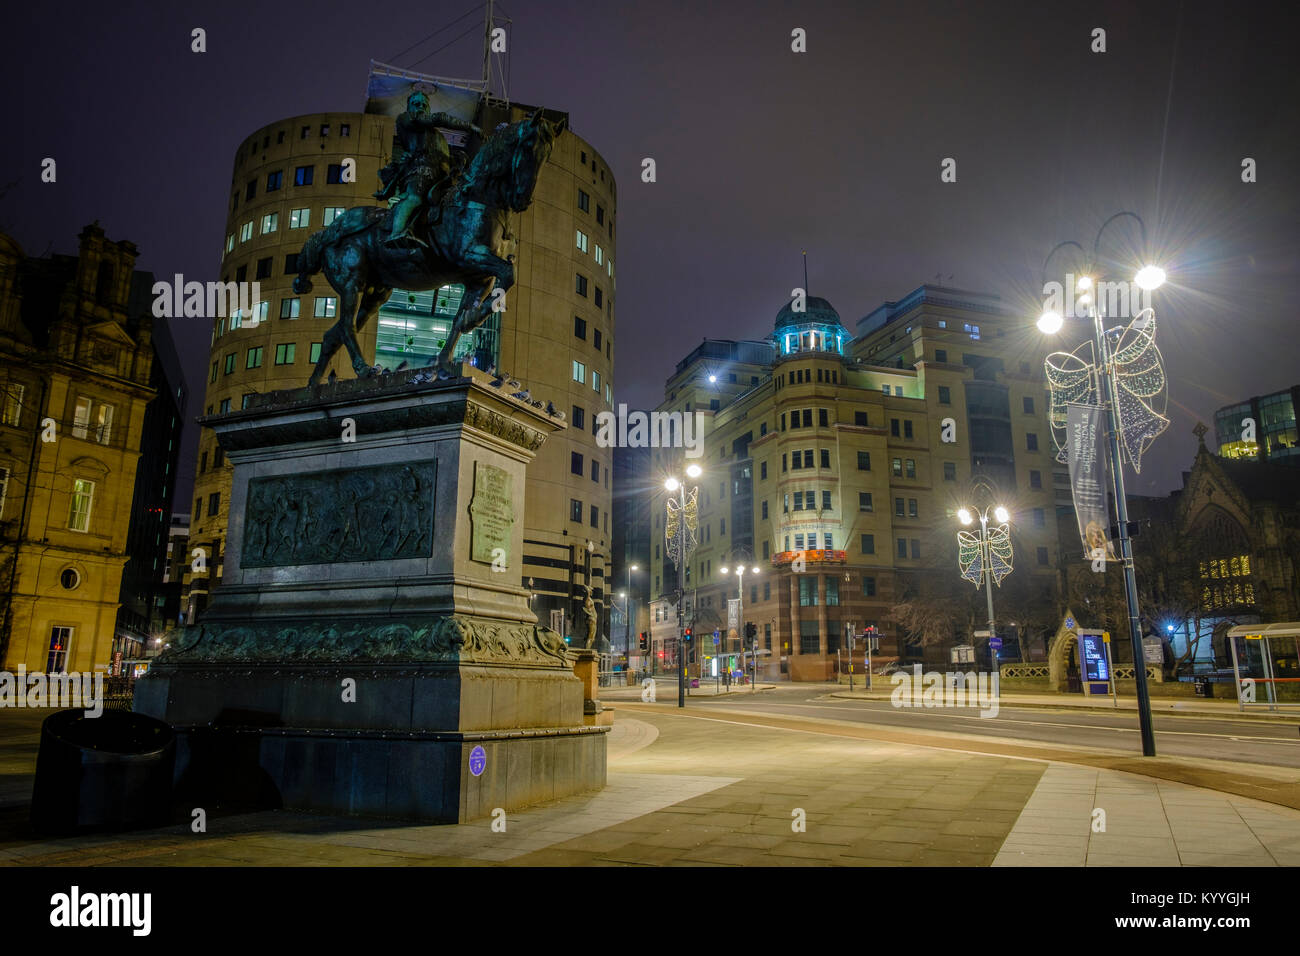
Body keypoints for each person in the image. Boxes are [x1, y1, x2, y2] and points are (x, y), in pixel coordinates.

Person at [375, 90, 481, 248]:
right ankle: (396, 233)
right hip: (419, 173)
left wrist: (456, 161)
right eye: (416, 103)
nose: (421, 106)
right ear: (409, 106)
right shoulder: (406, 119)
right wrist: (469, 126)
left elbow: (443, 157)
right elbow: (439, 118)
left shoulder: (438, 137)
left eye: (425, 104)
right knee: (415, 198)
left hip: (441, 178)